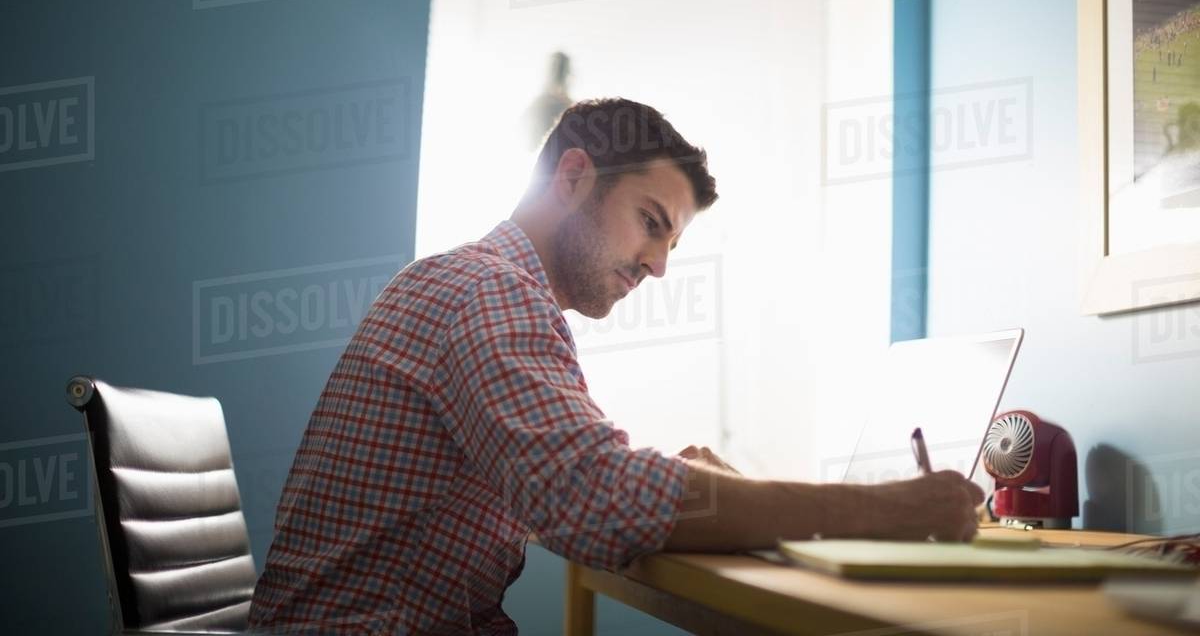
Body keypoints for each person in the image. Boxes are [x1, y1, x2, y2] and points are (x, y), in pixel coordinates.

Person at [247, 98, 983, 635]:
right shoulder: (490, 293)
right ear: (573, 177)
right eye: (651, 224)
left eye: (671, 244)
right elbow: (592, 496)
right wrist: (886, 509)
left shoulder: (479, 286)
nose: (658, 266)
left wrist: (699, 488)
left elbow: (574, 476)